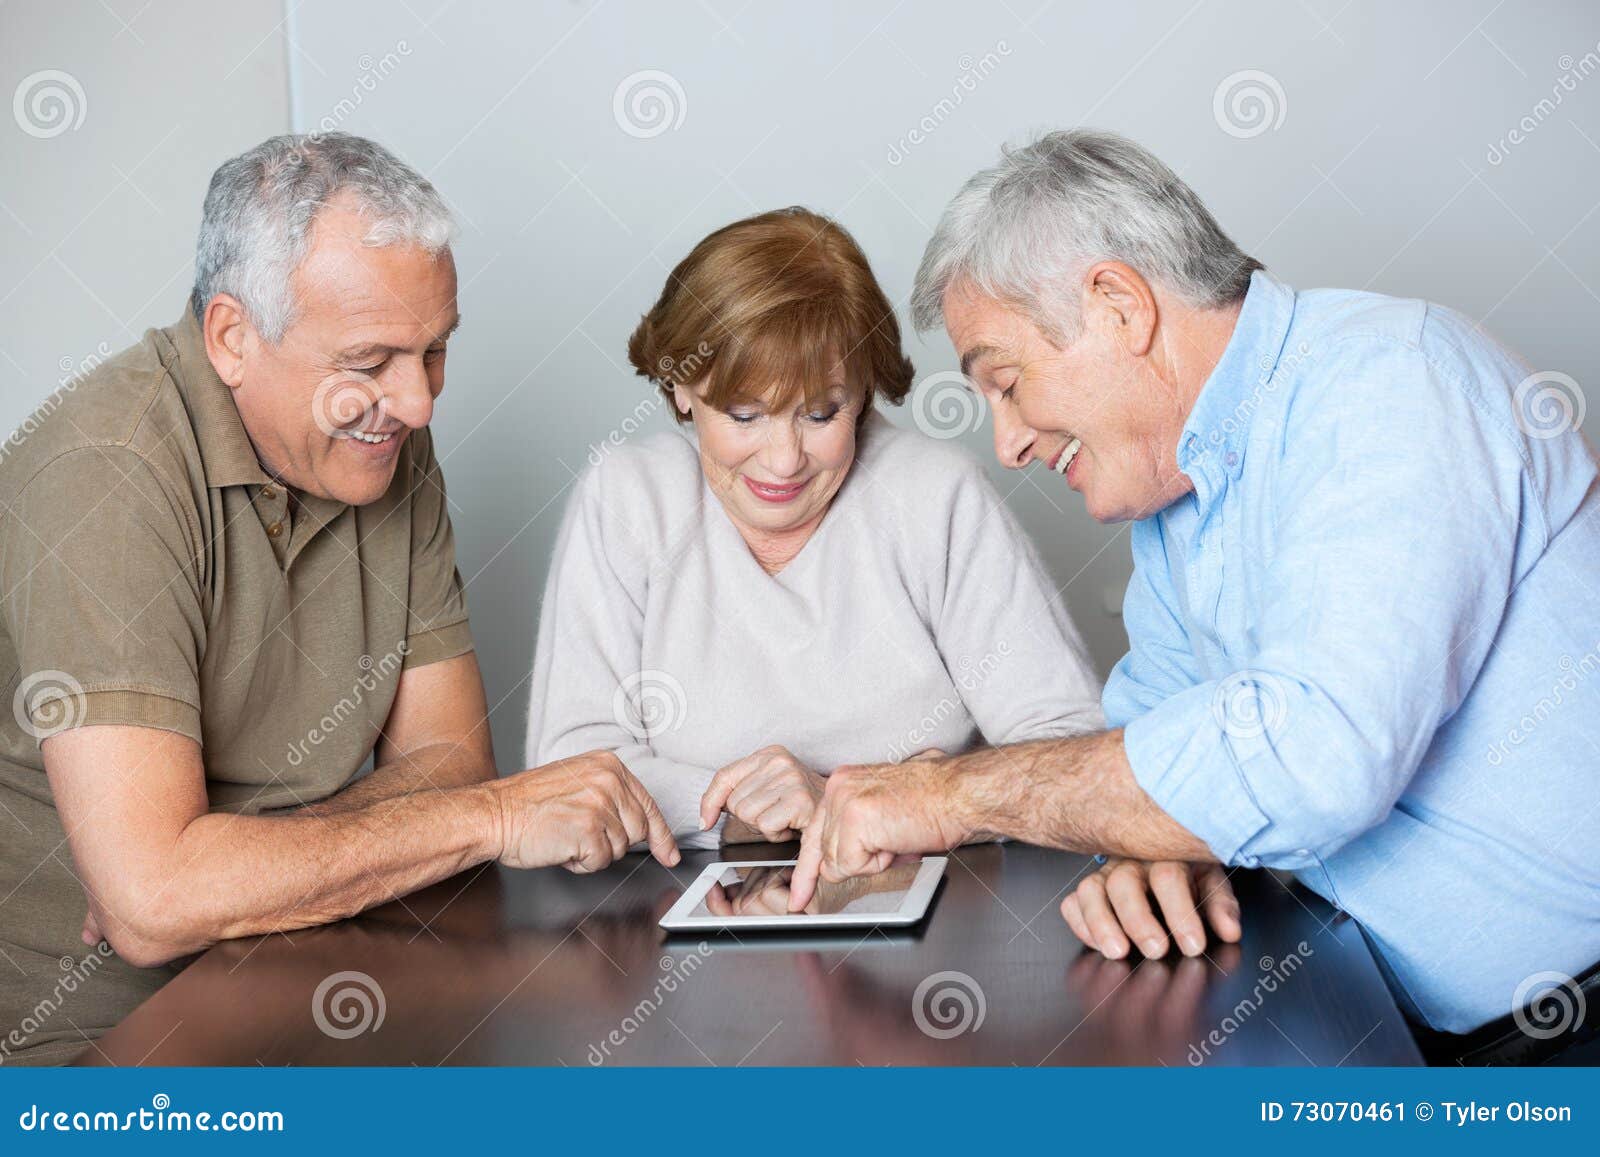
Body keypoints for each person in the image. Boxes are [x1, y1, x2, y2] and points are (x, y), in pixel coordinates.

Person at [787, 130, 1600, 1059]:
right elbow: (1147, 751)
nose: (1007, 442)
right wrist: (1144, 847)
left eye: (1005, 384)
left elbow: (1318, 758)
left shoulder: (1390, 380)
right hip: (1409, 1036)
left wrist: (947, 796)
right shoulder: (1177, 505)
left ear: (1118, 305)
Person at [0, 133, 676, 1066]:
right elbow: (153, 912)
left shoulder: (380, 438)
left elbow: (448, 759)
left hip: (312, 968)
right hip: (98, 1050)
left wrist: (224, 863)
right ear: (233, 337)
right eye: (369, 359)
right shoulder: (105, 473)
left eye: (435, 349)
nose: (418, 401)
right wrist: (489, 819)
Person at [525, 207, 1103, 849]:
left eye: (822, 413)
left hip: (944, 907)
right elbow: (570, 776)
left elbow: (1067, 747)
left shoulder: (934, 493)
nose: (783, 461)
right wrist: (744, 809)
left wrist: (855, 800)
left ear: (864, 394)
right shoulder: (628, 499)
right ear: (683, 386)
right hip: (680, 915)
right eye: (744, 415)